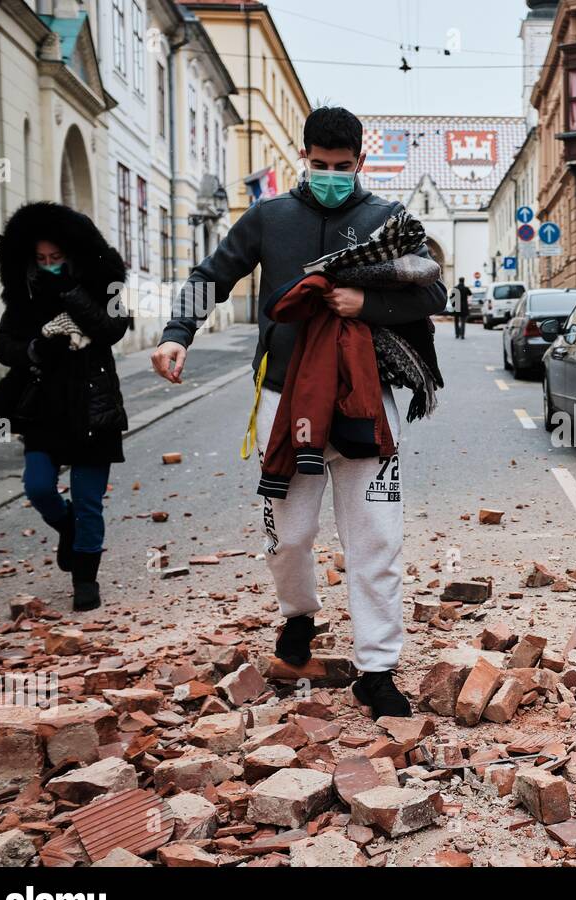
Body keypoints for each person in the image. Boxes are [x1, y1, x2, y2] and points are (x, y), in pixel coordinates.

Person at [151, 106, 446, 719]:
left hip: (368, 400)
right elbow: (213, 274)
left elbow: (432, 292)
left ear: (360, 163)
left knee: (376, 540)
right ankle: (299, 617)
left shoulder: (387, 221)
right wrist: (179, 331)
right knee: (289, 536)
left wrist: (365, 301)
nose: (331, 175)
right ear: (303, 160)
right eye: (320, 165)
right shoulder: (269, 217)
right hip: (285, 402)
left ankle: (377, 670)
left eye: (343, 167)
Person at [0, 202, 131, 611]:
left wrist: (69, 294)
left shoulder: (104, 284)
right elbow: (2, 344)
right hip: (44, 410)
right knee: (38, 488)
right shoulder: (24, 293)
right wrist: (34, 348)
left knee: (88, 500)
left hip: (93, 407)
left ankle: (85, 578)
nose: (48, 265)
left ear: (73, 254)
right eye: (41, 259)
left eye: (56, 258)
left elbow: (113, 329)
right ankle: (68, 529)